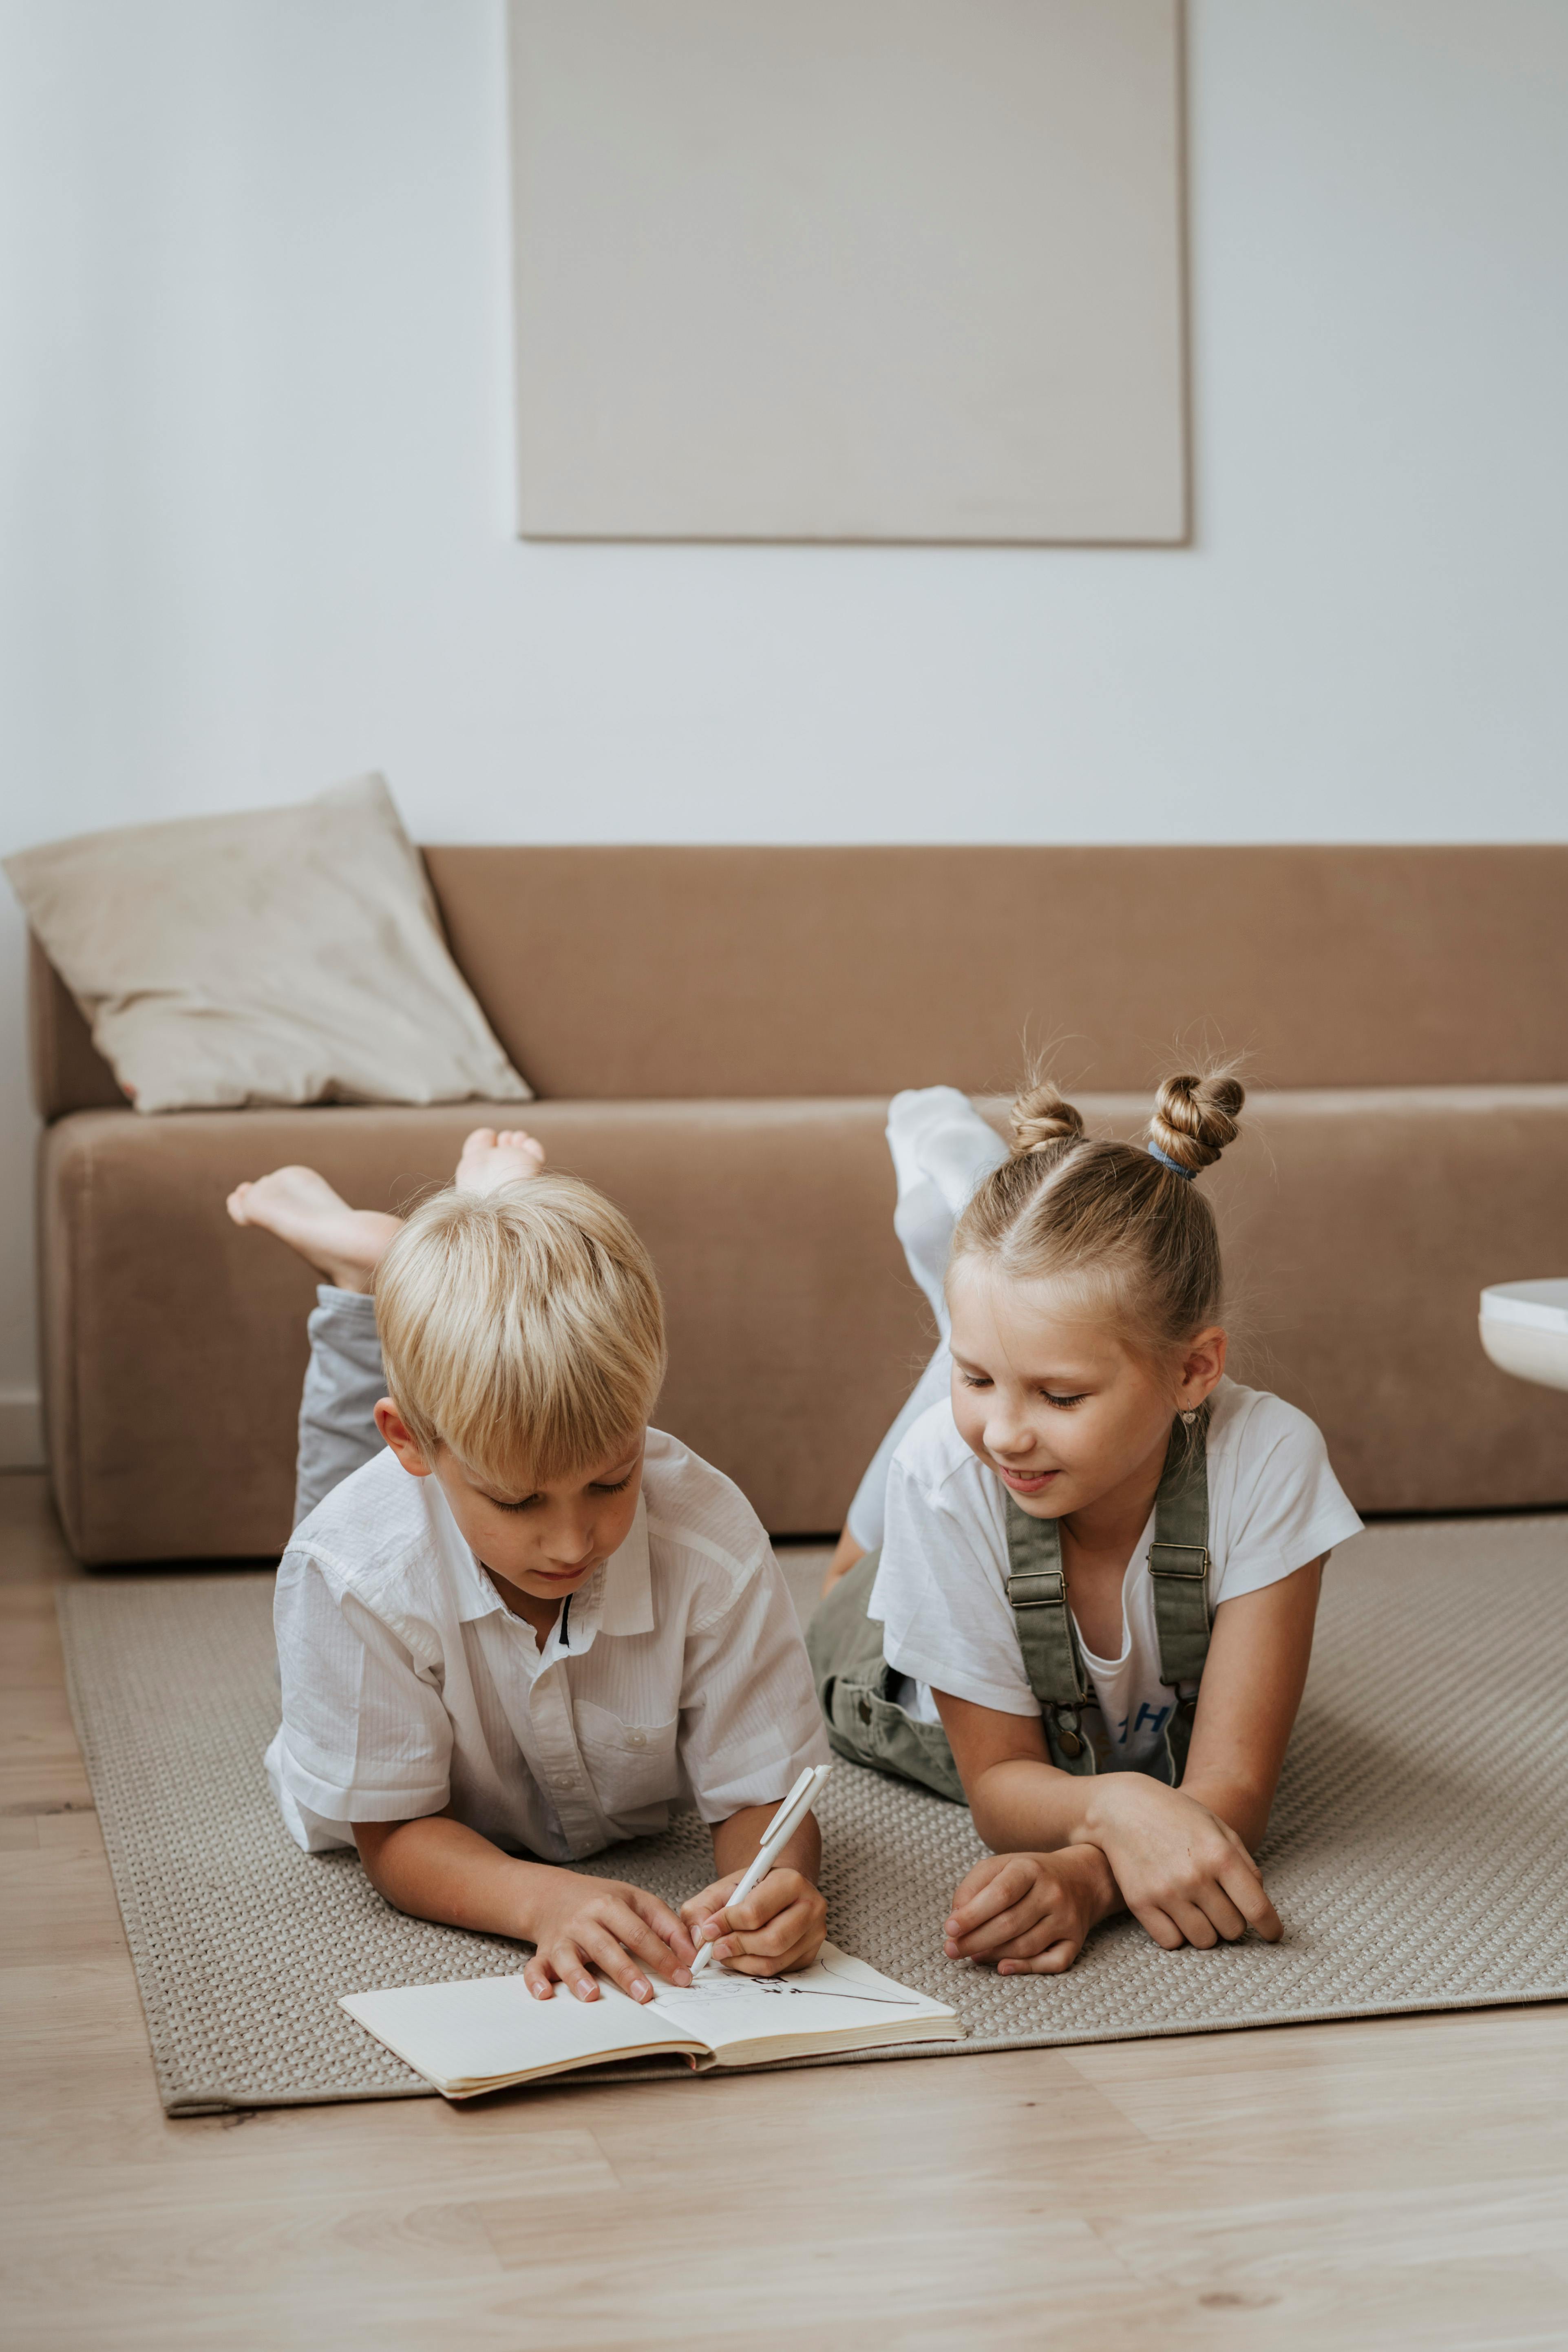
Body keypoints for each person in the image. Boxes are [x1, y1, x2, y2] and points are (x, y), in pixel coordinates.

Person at [227, 1130, 829, 2008]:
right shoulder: (351, 1570)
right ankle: (364, 1281)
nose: (572, 1542)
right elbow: (393, 1832)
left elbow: (768, 1793)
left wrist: (773, 1884)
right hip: (383, 1540)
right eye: (518, 1501)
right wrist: (541, 1900)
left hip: (435, 1485)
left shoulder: (710, 1539)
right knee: (333, 1494)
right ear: (411, 1442)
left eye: (611, 1482)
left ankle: (471, 1220)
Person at [808, 1075, 1363, 1978]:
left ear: (1194, 1371)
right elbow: (1000, 1789)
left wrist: (1089, 1880)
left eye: (1061, 1394)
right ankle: (967, 1292)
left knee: (972, 1430)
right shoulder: (949, 1473)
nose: (1008, 1431)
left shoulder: (1271, 1457)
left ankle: (981, 1315)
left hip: (998, 1510)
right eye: (976, 1378)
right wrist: (1120, 1811)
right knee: (899, 1508)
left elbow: (1233, 1786)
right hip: (883, 1651)